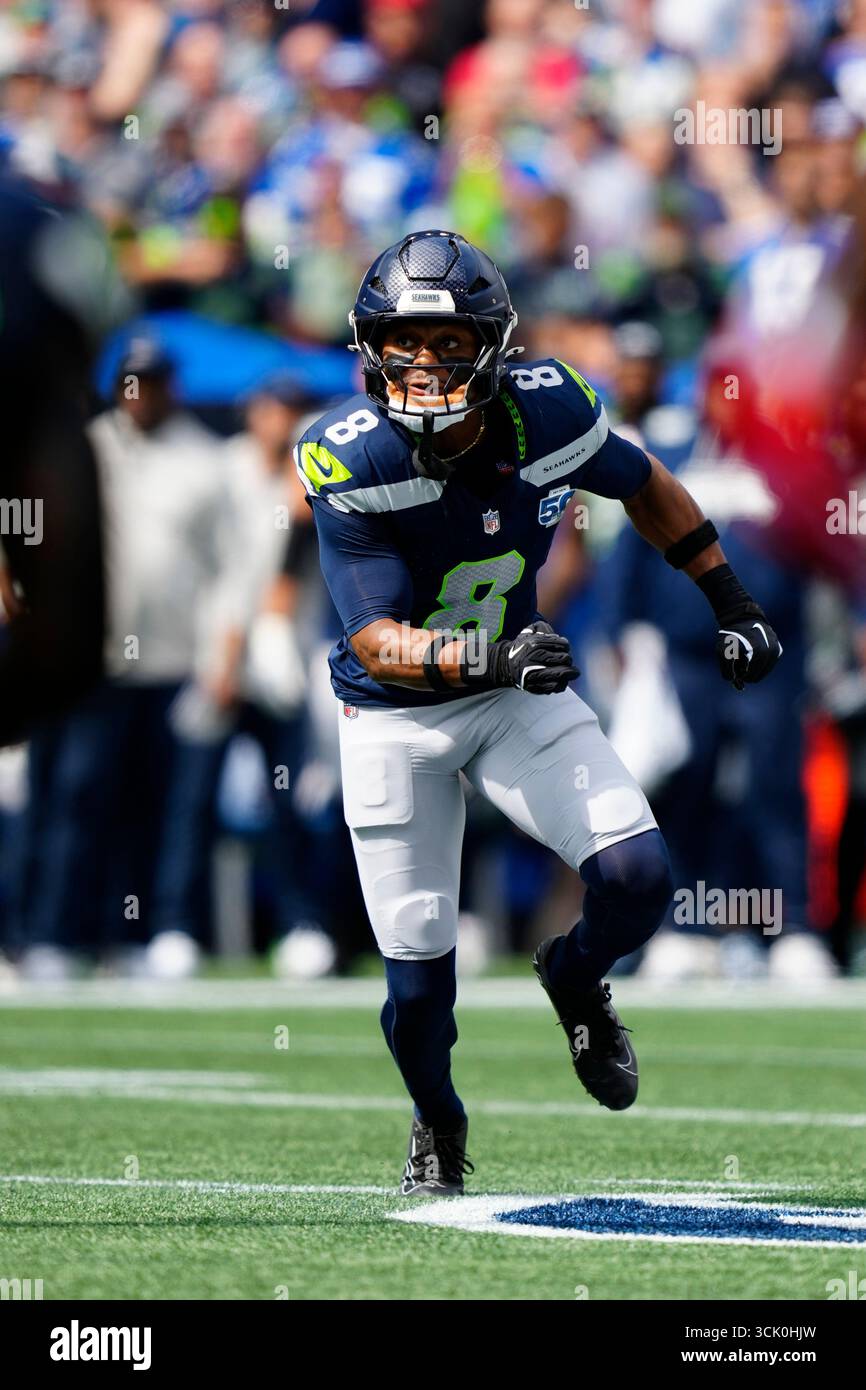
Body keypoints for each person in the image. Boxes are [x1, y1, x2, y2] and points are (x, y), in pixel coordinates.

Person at [297, 229, 782, 1197]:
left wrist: (730, 601)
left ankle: (573, 975)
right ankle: (438, 1117)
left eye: (447, 342)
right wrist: (494, 654)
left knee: (638, 874)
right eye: (402, 341)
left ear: (492, 346)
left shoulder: (549, 410)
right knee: (418, 990)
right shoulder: (351, 454)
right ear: (368, 346)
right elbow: (374, 640)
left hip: (511, 691)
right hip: (396, 715)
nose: (422, 363)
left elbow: (643, 484)